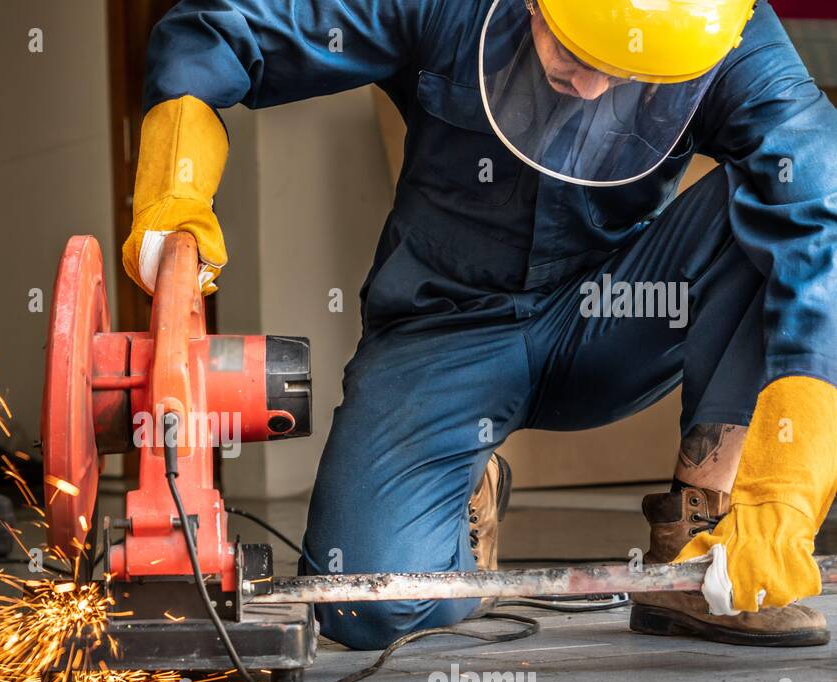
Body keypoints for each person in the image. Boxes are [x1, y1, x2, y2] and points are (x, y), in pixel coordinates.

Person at [123, 0, 837, 649]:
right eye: (576, 50)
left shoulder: (723, 31)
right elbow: (217, 30)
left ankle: (703, 531)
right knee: (361, 605)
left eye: (625, 72)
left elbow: (820, 209)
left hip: (620, 313)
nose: (590, 86)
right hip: (448, 328)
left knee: (791, 192)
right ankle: (464, 491)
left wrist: (786, 498)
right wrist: (174, 189)